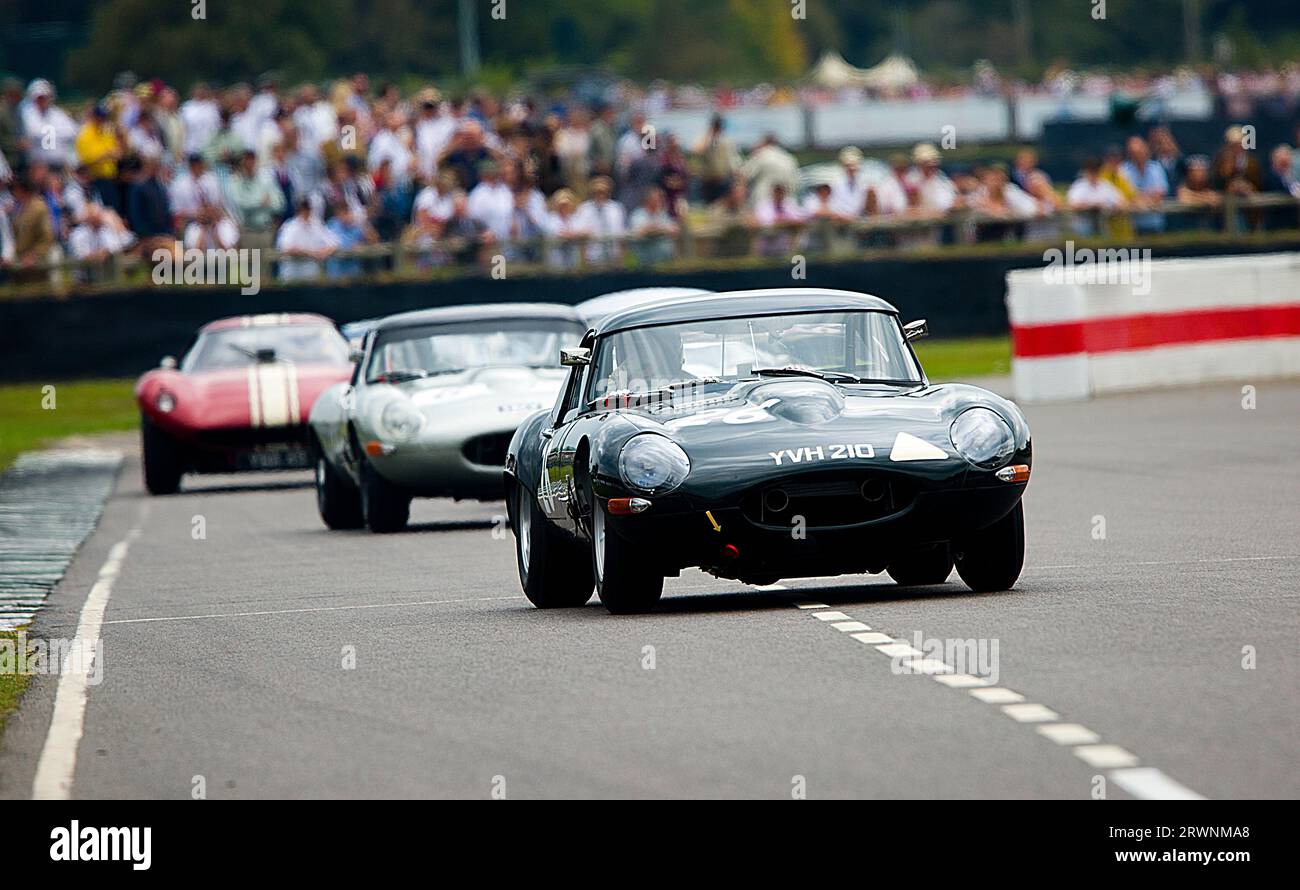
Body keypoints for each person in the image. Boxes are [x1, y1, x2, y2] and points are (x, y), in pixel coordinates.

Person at [224, 149, 285, 249]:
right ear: (242, 161)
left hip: (266, 231)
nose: (250, 163)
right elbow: (240, 205)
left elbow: (279, 204)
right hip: (246, 231)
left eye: (252, 159)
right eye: (247, 159)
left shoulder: (266, 178)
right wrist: (261, 203)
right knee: (249, 263)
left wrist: (256, 203)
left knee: (265, 263)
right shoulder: (235, 180)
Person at [275, 197, 338, 280]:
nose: (306, 212)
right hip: (292, 275)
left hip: (311, 275)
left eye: (308, 209)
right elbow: (288, 248)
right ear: (299, 211)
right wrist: (311, 253)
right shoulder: (289, 226)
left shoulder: (316, 224)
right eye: (304, 210)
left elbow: (334, 243)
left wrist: (324, 252)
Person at [74, 104, 123, 212]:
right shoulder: (85, 134)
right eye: (100, 117)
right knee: (105, 210)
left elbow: (116, 150)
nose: (103, 120)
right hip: (95, 179)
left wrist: (115, 153)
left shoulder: (105, 132)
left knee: (115, 209)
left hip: (111, 177)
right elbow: (85, 160)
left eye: (104, 117)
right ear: (94, 117)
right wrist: (106, 155)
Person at [1118, 136, 1169, 234]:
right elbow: (1124, 196)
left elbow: (1160, 193)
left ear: (1146, 150)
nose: (1137, 155)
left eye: (1139, 151)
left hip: (1155, 223)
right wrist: (1146, 196)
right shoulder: (1122, 169)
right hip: (1131, 225)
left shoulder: (1156, 167)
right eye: (1133, 152)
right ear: (1129, 153)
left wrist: (1138, 197)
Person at [572, 175, 625, 264]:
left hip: (613, 256)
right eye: (597, 192)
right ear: (592, 192)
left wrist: (621, 257)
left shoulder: (616, 208)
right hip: (593, 256)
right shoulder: (584, 209)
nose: (600, 194)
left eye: (603, 192)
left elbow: (621, 233)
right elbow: (579, 231)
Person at [1067, 158, 1125, 237]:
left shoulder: (1106, 186)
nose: (1093, 173)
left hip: (1104, 227)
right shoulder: (1078, 186)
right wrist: (1092, 206)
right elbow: (1072, 205)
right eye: (1090, 171)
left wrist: (1107, 206)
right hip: (1082, 228)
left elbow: (1121, 203)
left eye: (1095, 170)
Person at [693, 114, 740, 204]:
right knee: (708, 208)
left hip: (723, 182)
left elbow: (733, 161)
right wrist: (709, 135)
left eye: (719, 125)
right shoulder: (704, 140)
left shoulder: (726, 141)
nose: (718, 128)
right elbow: (696, 150)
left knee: (721, 208)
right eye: (716, 125)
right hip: (707, 182)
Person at [740, 133, 799, 205]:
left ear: (764, 143)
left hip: (762, 202)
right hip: (786, 203)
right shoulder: (789, 158)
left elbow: (743, 175)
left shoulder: (762, 154)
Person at [627, 186, 678, 265]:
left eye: (661, 198)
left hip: (665, 260)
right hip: (645, 262)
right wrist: (660, 228)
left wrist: (655, 227)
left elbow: (674, 230)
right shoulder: (637, 214)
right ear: (648, 200)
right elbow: (638, 233)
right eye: (658, 198)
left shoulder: (663, 213)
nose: (661, 200)